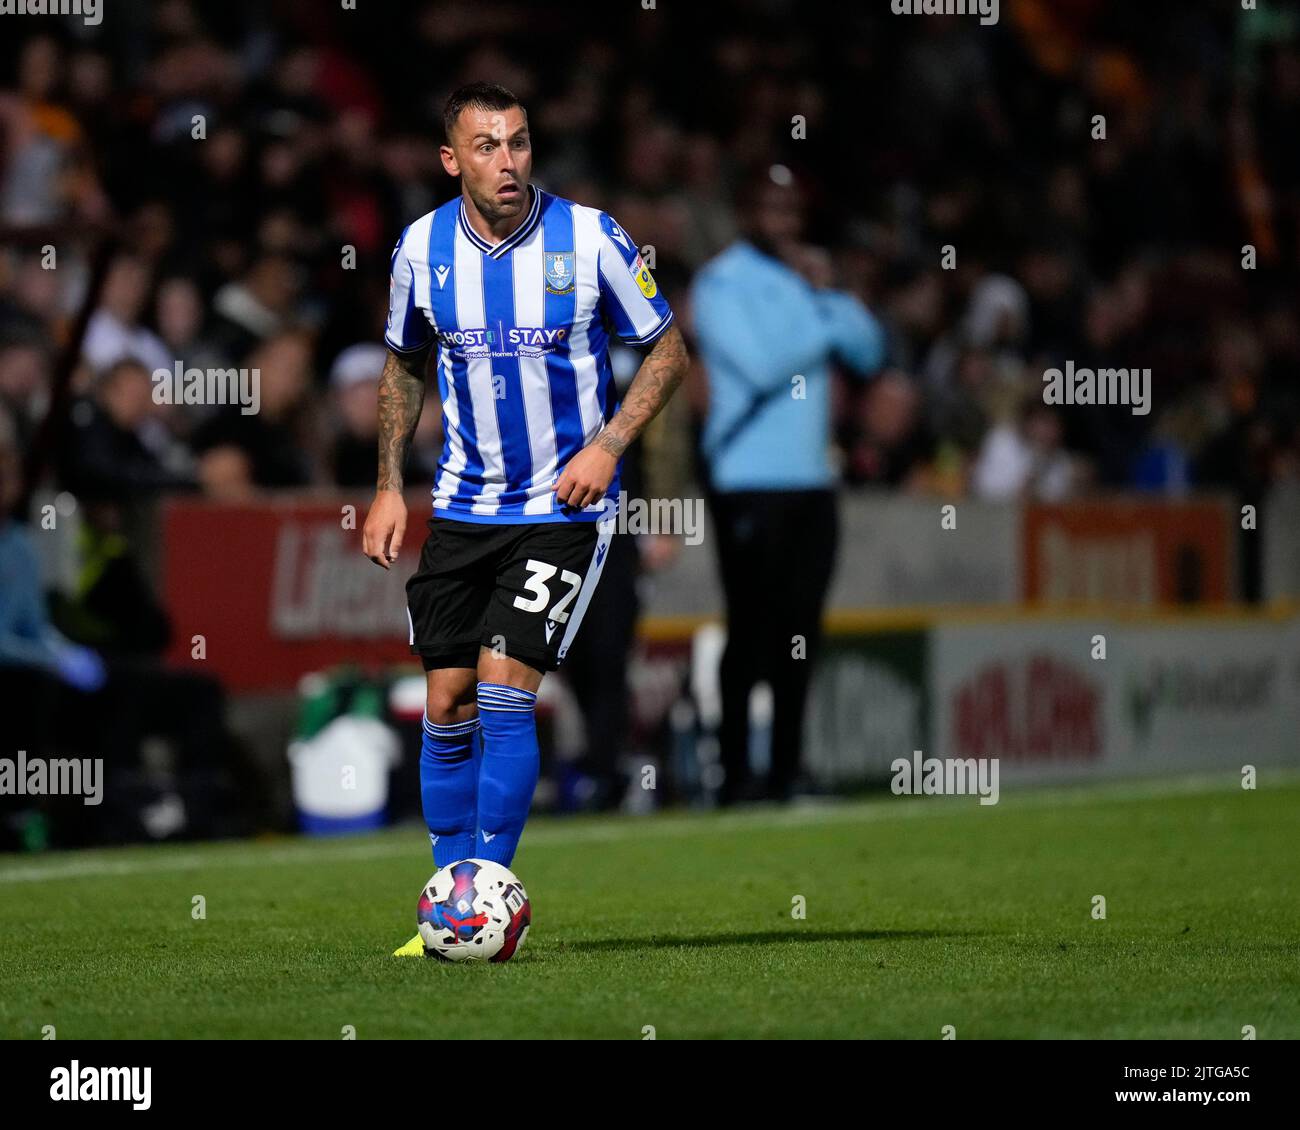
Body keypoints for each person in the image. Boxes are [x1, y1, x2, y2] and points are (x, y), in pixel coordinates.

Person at [360, 83, 688, 955]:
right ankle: (449, 894)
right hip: (464, 508)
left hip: (562, 506)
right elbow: (402, 368)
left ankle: (483, 900)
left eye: (519, 143)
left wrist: (610, 445)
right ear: (451, 159)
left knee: (507, 692)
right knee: (446, 700)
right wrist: (390, 483)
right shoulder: (420, 250)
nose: (507, 162)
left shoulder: (590, 239)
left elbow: (667, 347)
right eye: (486, 147)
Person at [692, 166, 885, 804]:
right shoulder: (722, 281)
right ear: (747, 213)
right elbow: (762, 364)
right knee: (749, 627)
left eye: (791, 209)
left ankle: (786, 769)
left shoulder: (811, 282)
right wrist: (818, 312)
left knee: (802, 629)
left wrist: (828, 297)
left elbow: (870, 350)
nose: (784, 222)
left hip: (812, 483)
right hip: (748, 480)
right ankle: (734, 775)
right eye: (770, 208)